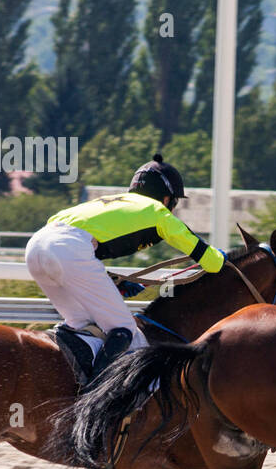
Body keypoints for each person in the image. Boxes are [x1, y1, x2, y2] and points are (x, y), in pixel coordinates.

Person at [25, 153, 225, 380]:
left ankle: (69, 380)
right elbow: (213, 263)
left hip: (36, 247)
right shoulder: (157, 212)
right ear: (167, 199)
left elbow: (75, 244)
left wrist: (111, 282)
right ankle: (94, 395)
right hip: (69, 250)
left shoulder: (115, 202)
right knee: (124, 331)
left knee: (83, 325)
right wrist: (223, 257)